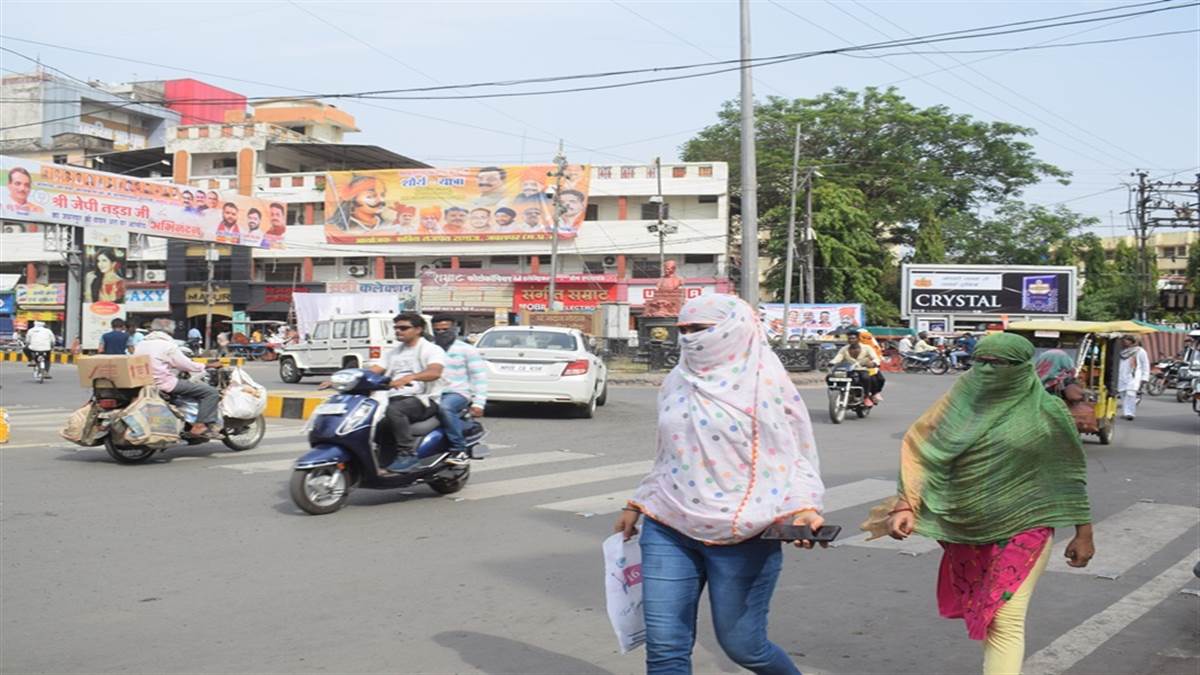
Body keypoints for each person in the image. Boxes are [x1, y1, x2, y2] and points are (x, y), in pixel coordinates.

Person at [614, 295, 826, 675]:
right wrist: (638, 502)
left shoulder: (767, 384)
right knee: (665, 647)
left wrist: (803, 507)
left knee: (745, 647)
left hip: (746, 532)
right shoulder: (677, 380)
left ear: (733, 330)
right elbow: (669, 454)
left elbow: (793, 456)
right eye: (684, 331)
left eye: (701, 330)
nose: (690, 339)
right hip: (669, 524)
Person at [870, 332, 1093, 675]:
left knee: (1005, 617)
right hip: (967, 528)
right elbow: (923, 450)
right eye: (982, 363)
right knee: (992, 619)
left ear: (1022, 369)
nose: (988, 371)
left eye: (999, 364)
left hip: (1025, 524)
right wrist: (906, 503)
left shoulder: (1047, 411)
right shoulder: (957, 404)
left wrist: (1083, 532)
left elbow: (1068, 474)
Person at [362, 313, 445, 469]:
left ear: (418, 329)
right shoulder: (393, 352)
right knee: (378, 425)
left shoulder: (431, 350)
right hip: (396, 399)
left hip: (424, 400)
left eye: (404, 328)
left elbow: (435, 372)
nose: (398, 331)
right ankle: (383, 461)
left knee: (394, 411)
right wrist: (348, 379)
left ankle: (408, 454)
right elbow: (375, 370)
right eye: (396, 328)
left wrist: (411, 377)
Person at [134, 320, 220, 438]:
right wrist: (206, 366)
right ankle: (200, 425)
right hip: (163, 383)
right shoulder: (167, 345)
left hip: (144, 383)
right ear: (169, 331)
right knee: (211, 392)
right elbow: (185, 365)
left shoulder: (141, 343)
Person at [430, 315, 487, 456]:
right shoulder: (428, 349)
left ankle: (458, 448)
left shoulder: (466, 350)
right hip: (430, 393)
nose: (441, 333)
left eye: (445, 329)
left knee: (445, 408)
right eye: (437, 330)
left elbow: (479, 377)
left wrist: (479, 403)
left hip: (456, 393)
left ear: (455, 329)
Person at [829, 330, 883, 405]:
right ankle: (837, 392)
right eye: (849, 338)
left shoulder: (867, 348)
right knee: (830, 377)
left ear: (858, 339)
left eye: (853, 338)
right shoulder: (844, 349)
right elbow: (839, 357)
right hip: (849, 370)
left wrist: (873, 363)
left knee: (865, 378)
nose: (851, 340)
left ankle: (866, 397)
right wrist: (832, 362)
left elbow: (875, 358)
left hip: (862, 369)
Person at [1117, 335, 1150, 420]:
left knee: (1131, 394)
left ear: (1132, 341)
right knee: (1123, 394)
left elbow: (1145, 364)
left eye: (1127, 339)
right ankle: (1126, 412)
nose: (1125, 341)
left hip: (1133, 376)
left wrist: (1145, 377)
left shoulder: (1140, 351)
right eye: (1124, 339)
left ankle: (1130, 413)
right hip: (1122, 375)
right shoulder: (1122, 351)